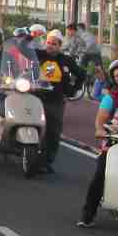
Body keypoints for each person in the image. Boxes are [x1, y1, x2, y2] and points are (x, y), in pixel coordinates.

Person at [78, 60, 118, 227]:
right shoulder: (110, 97)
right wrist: (100, 130)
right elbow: (101, 118)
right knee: (100, 176)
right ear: (113, 78)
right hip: (115, 143)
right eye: (117, 75)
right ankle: (87, 215)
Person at [35, 30, 85, 173]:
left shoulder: (66, 60)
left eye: (54, 44)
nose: (50, 46)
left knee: (53, 131)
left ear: (60, 46)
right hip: (36, 96)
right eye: (49, 43)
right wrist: (29, 36)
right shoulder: (38, 55)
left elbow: (82, 74)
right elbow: (22, 51)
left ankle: (47, 160)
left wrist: (72, 90)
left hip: (55, 100)